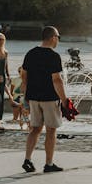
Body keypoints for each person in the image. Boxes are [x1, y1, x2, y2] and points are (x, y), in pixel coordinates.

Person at [21, 26, 68, 173]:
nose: (58, 41)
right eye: (58, 37)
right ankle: (49, 163)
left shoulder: (30, 53)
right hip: (49, 98)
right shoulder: (54, 56)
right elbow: (57, 80)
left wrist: (25, 98)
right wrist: (64, 100)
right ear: (53, 37)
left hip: (33, 97)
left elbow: (24, 76)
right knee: (51, 130)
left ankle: (27, 160)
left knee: (35, 129)